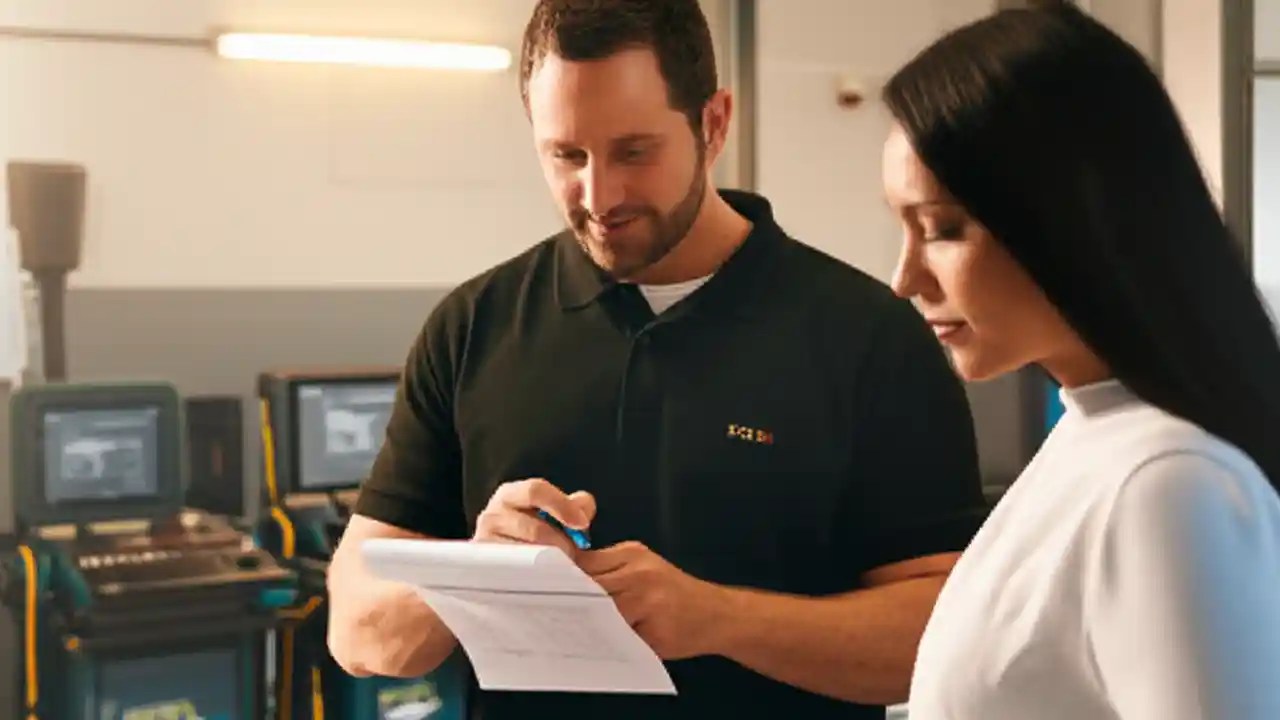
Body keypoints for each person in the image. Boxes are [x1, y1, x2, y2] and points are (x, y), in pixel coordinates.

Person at [326, 1, 988, 718]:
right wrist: (473, 578)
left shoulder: (868, 336)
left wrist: (716, 618)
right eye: (566, 156)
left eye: (634, 152)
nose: (598, 196)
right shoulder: (472, 328)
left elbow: (944, 638)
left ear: (714, 123)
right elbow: (359, 635)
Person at [879, 3, 1280, 719]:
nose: (904, 278)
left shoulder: (1169, 483)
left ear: (1065, 214)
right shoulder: (1094, 435)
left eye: (941, 229)